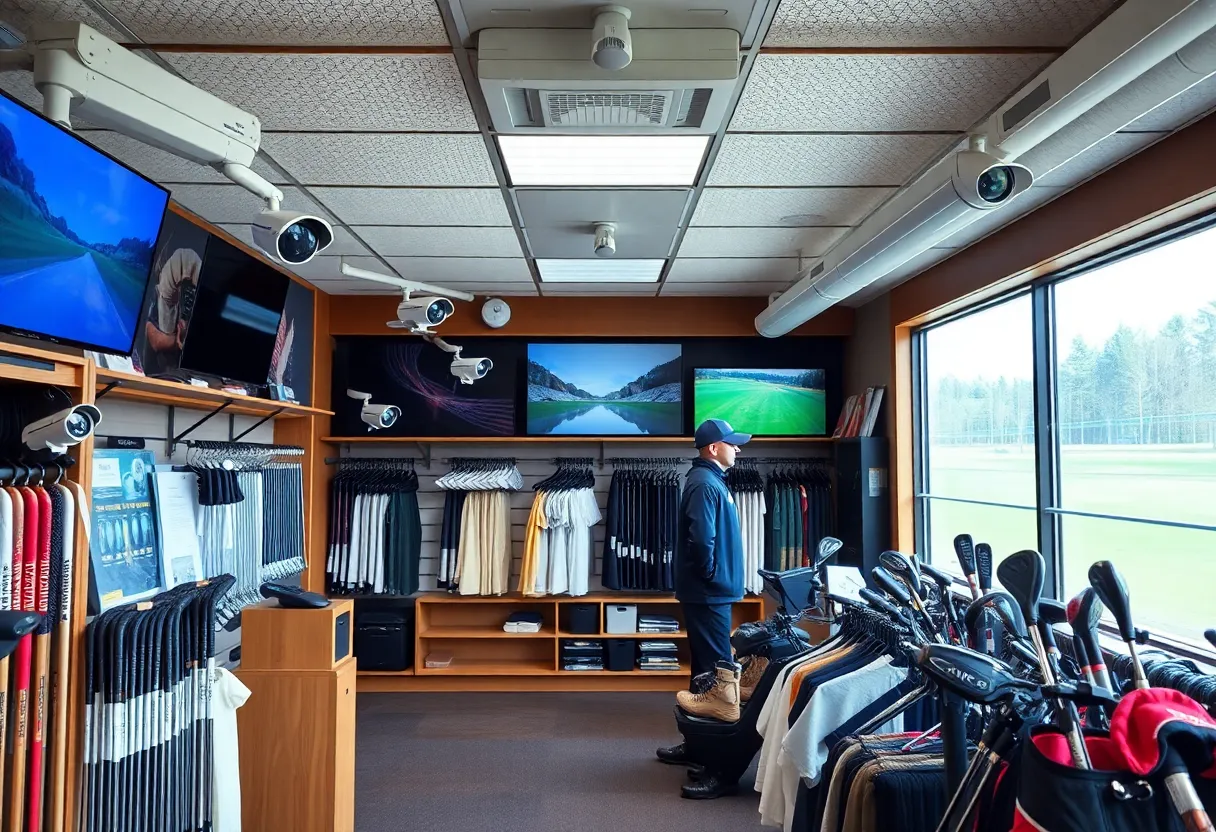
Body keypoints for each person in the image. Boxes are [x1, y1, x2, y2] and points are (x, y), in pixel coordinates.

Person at [669, 419, 750, 730]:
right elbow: (702, 539)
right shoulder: (704, 483)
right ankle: (713, 763)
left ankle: (696, 744)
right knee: (718, 677)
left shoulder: (710, 481)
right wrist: (712, 576)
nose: (738, 448)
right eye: (732, 444)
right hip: (708, 591)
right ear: (714, 448)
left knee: (707, 671)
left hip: (711, 591)